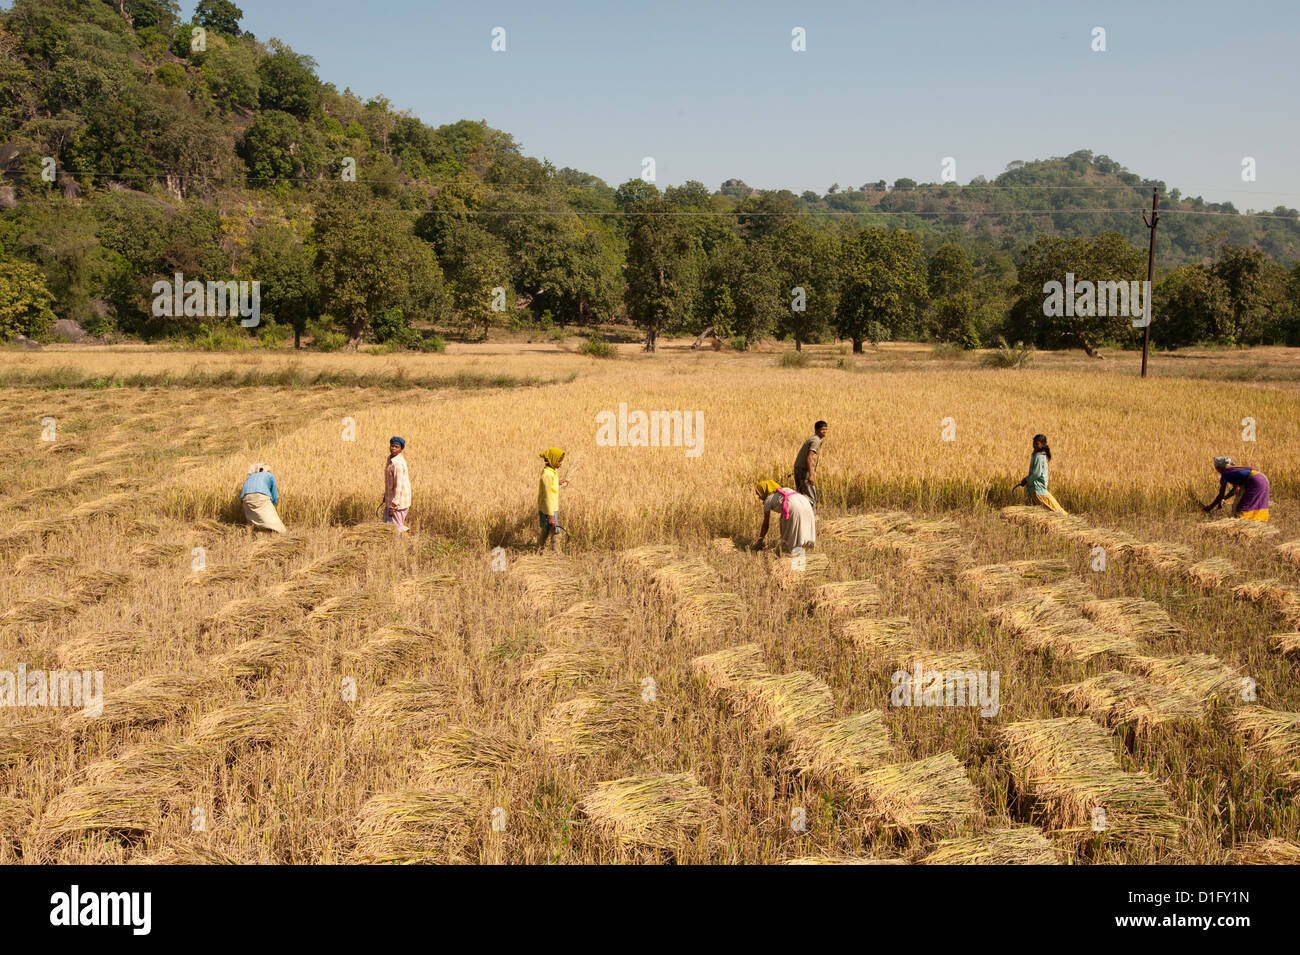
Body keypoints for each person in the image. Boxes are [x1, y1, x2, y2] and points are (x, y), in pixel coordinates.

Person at [753, 479, 816, 554]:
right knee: (802, 529)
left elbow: (765, 524)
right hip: (806, 503)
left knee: (790, 538)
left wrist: (760, 540)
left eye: (759, 494)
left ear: (763, 491)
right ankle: (801, 552)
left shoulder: (768, 500)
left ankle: (790, 555)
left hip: (793, 507)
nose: (759, 497)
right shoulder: (785, 490)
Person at [1205, 457, 1270, 521]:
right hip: (1263, 479)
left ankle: (1244, 524)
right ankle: (1254, 523)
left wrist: (1210, 507)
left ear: (1219, 468)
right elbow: (1235, 489)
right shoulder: (1232, 470)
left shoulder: (1225, 473)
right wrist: (1224, 498)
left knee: (1242, 508)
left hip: (1255, 481)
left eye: (1216, 468)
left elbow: (1221, 494)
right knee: (1254, 503)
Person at [1015, 433, 1067, 514]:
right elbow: (1036, 473)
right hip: (1038, 490)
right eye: (1034, 443)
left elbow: (1036, 474)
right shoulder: (1038, 456)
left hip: (1038, 490)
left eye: (1037, 443)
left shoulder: (1039, 457)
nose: (1034, 445)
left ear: (1043, 444)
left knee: (1051, 511)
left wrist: (1026, 480)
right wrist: (1027, 480)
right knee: (1056, 511)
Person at [537, 447, 569, 552]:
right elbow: (547, 495)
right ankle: (556, 554)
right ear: (552, 460)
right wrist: (550, 516)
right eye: (559, 461)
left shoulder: (551, 472)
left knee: (546, 531)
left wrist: (557, 482)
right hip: (548, 510)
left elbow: (550, 487)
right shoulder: (547, 475)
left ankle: (539, 551)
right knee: (556, 532)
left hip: (550, 508)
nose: (561, 463)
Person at [240, 463, 286, 533]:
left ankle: (254, 532)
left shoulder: (250, 477)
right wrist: (272, 504)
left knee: (253, 519)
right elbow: (274, 494)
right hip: (260, 496)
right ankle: (279, 533)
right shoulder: (270, 476)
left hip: (245, 498)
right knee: (278, 527)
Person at [793, 420, 828, 509]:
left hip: (798, 469)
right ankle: (810, 520)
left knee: (800, 498)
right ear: (816, 430)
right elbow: (809, 457)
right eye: (822, 429)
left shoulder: (813, 439)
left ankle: (801, 520)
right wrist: (811, 475)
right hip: (804, 472)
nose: (824, 431)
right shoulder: (816, 440)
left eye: (826, 429)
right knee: (810, 498)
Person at [383, 436, 411, 534]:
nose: (393, 448)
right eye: (392, 446)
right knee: (387, 525)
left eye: (396, 447)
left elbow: (398, 485)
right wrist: (385, 496)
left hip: (398, 503)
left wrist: (393, 506)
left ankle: (398, 545)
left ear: (401, 449)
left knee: (395, 529)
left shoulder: (397, 464)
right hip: (391, 499)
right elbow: (390, 482)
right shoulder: (390, 459)